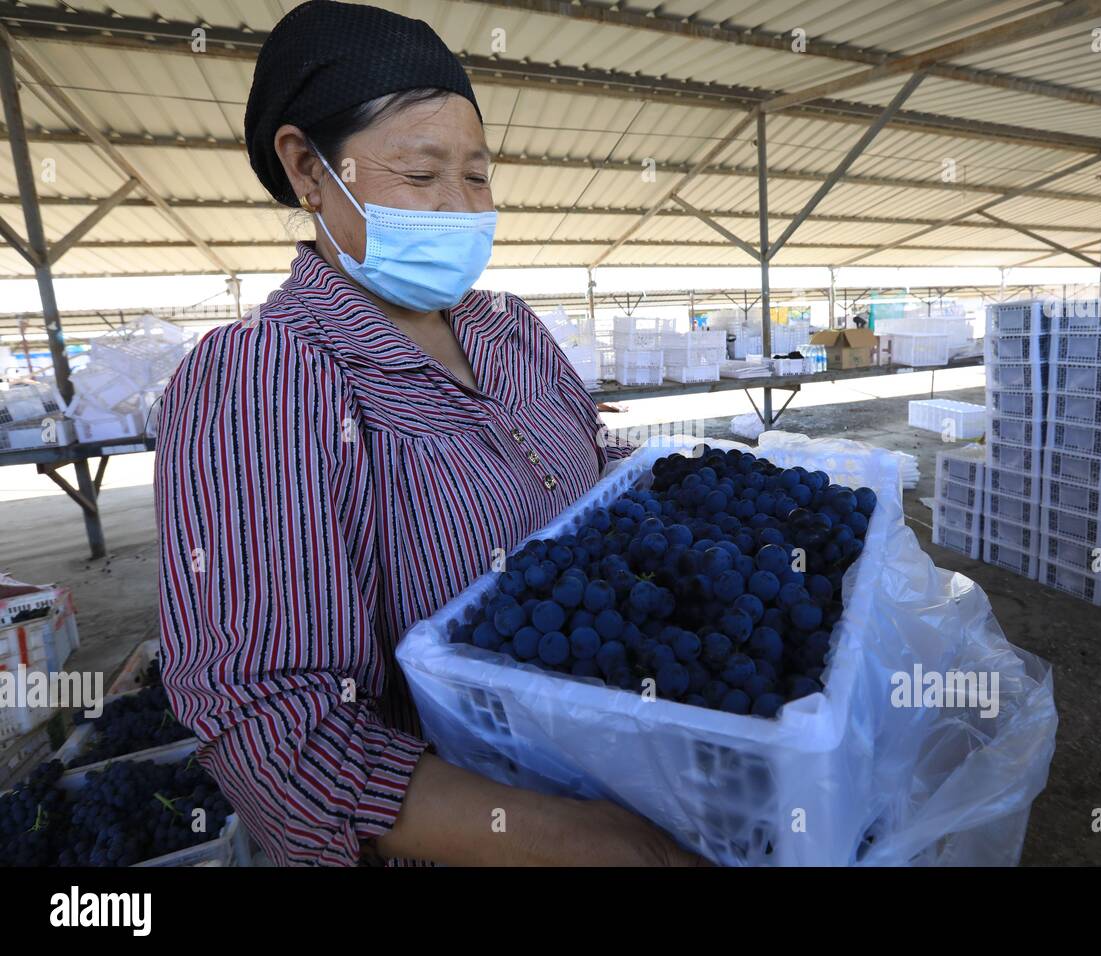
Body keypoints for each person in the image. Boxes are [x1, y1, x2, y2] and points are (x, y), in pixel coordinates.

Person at [154, 0, 701, 867]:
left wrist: (703, 484)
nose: (459, 206)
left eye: (478, 177)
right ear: (306, 167)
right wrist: (584, 841)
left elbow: (592, 482)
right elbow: (270, 718)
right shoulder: (265, 379)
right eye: (420, 176)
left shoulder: (511, 330)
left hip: (639, 769)